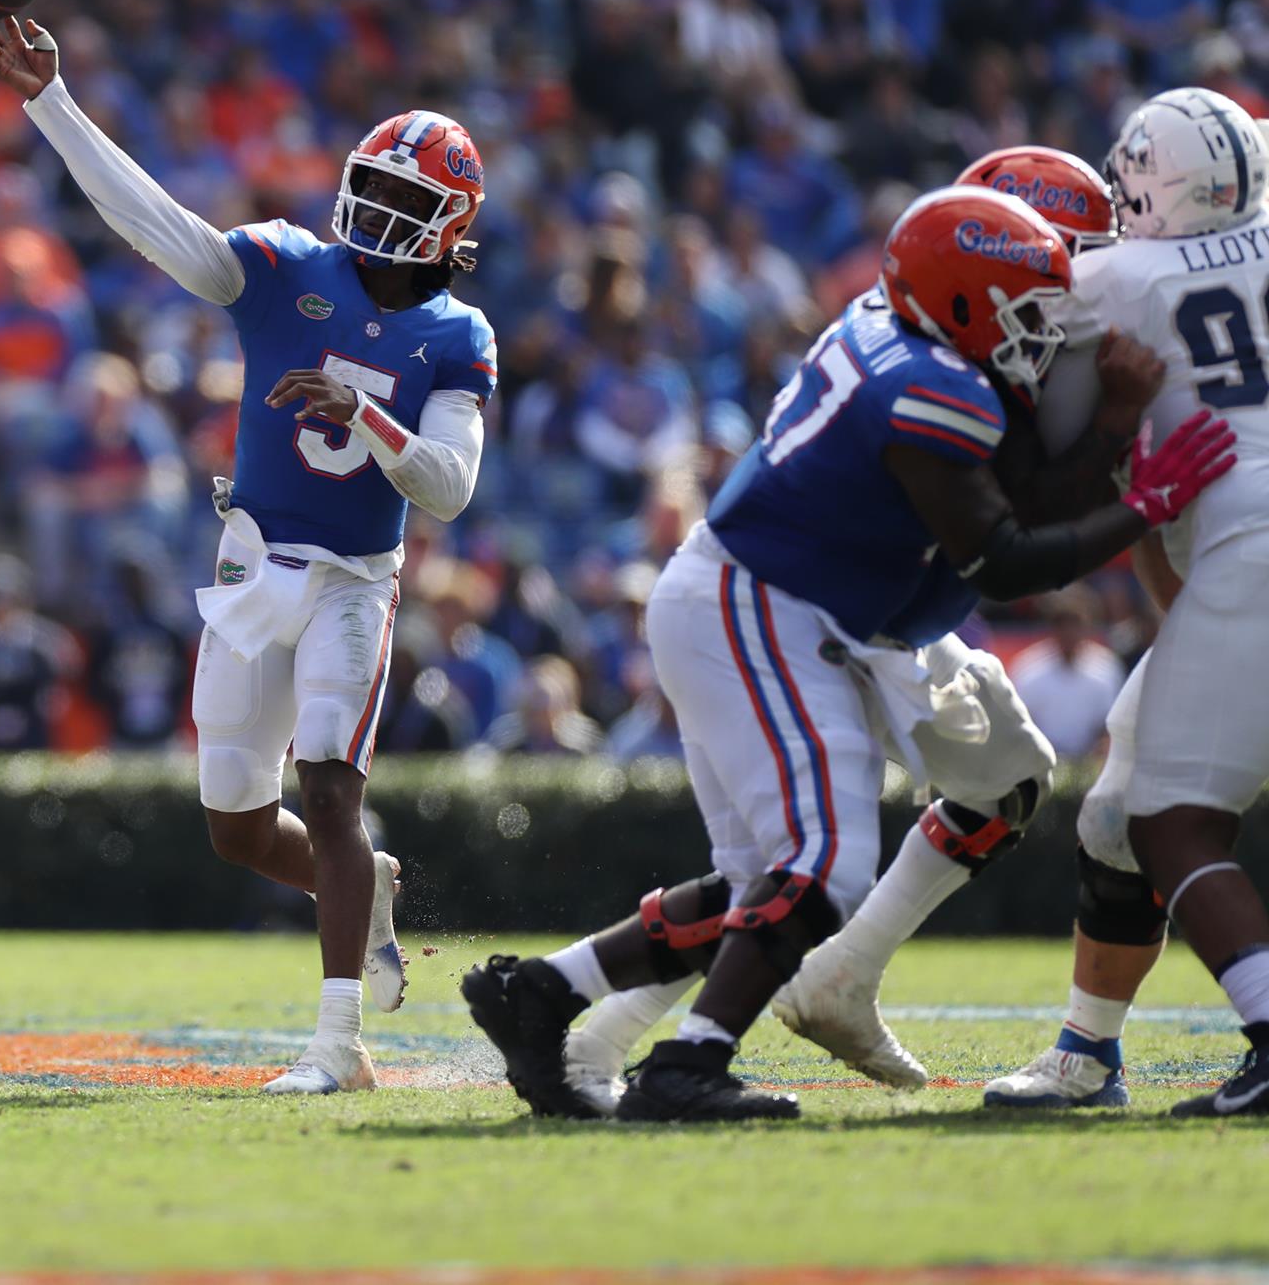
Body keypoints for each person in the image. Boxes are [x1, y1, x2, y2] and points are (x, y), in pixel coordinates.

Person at [461, 184, 1233, 1122]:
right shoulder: (932, 386)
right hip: (767, 606)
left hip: (782, 606)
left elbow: (1014, 502)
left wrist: (1106, 435)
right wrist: (1142, 505)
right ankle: (689, 1065)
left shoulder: (905, 333)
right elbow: (1002, 556)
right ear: (963, 300)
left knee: (768, 885)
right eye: (1028, 306)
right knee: (824, 865)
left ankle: (544, 994)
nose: (1047, 326)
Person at [0, 13, 497, 1094]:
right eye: (375, 186)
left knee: (328, 790)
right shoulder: (284, 265)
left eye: (408, 202)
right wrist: (50, 103)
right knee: (232, 827)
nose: (379, 212)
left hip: (353, 583)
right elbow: (154, 225)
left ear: (449, 227)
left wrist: (369, 414)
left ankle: (335, 1046)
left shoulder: (457, 334)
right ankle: (371, 889)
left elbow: (447, 488)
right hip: (252, 562)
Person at [985, 88, 1269, 1118]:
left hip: (1251, 546)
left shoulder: (1104, 282)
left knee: (1167, 822)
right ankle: (1083, 1054)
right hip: (1234, 559)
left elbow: (1051, 471)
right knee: (1115, 810)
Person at [1008, 589, 1125, 760]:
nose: (1069, 632)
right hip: (1041, 763)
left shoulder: (1107, 669)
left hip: (1089, 766)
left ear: (1087, 627)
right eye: (1061, 624)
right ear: (1052, 628)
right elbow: (1018, 726)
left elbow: (1109, 727)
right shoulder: (1028, 669)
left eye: (1075, 624)